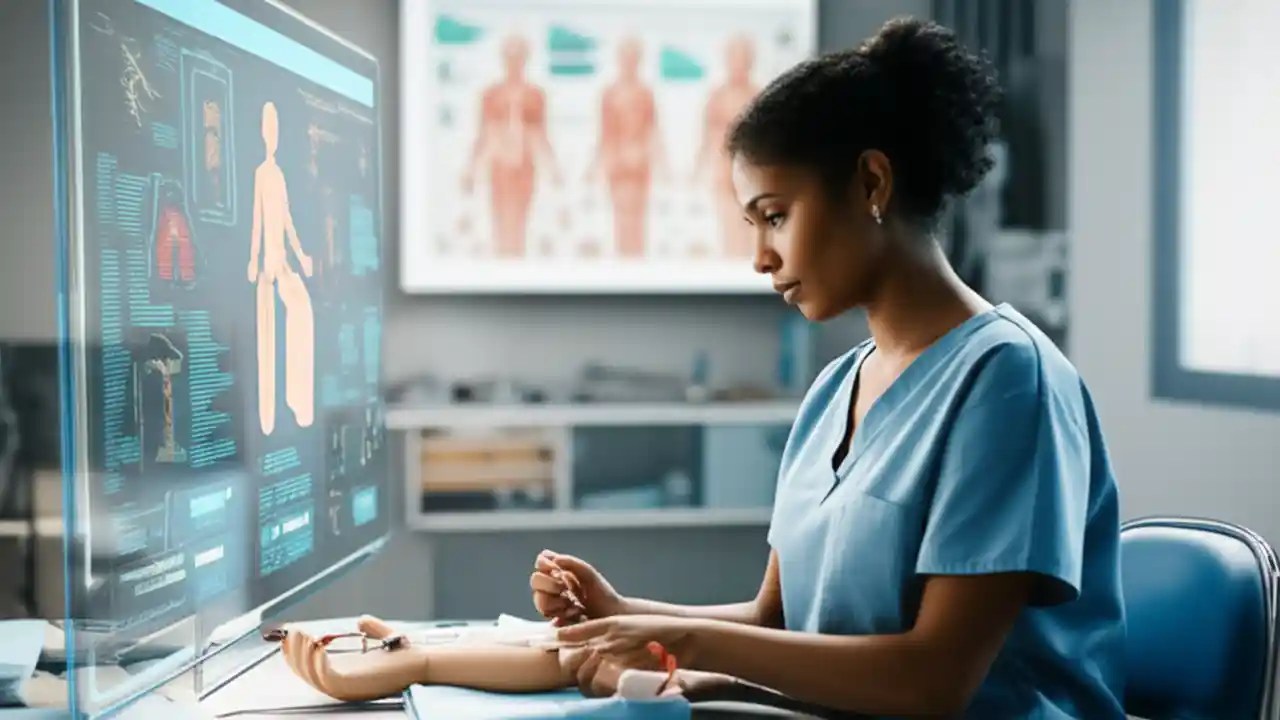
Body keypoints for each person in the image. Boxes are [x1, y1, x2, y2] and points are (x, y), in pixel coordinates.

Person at [537, 17, 1127, 719]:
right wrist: (622, 612)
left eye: (775, 216)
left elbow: (932, 682)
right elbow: (777, 624)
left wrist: (686, 642)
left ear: (871, 183)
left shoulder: (1009, 381)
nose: (760, 257)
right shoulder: (833, 392)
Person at [461, 34, 562, 258]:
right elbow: (482, 135)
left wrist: (553, 167)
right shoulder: (491, 95)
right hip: (499, 165)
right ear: (503, 58)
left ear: (525, 59)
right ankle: (502, 264)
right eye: (510, 55)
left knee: (520, 220)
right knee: (500, 218)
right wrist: (471, 170)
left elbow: (542, 133)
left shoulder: (535, 95)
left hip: (525, 165)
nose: (514, 61)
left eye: (518, 56)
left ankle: (516, 264)